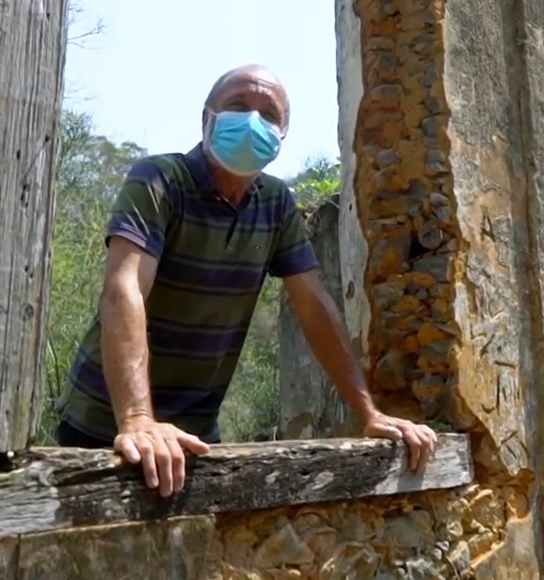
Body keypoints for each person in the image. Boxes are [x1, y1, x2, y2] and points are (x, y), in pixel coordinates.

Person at [52, 65, 438, 496]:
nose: (253, 120)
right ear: (207, 119)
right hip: (105, 424)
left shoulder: (275, 203)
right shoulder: (160, 180)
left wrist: (369, 412)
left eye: (269, 114)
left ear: (282, 133)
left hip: (195, 434)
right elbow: (124, 289)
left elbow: (313, 305)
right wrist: (137, 419)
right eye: (238, 106)